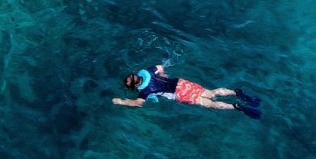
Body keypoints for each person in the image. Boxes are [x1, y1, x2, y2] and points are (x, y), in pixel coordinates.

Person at [112, 65, 262, 118]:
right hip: (182, 83)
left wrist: (121, 101)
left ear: (134, 86)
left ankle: (235, 106)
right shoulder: (148, 72)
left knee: (210, 104)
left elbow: (137, 103)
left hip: (181, 93)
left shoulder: (144, 91)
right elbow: (160, 66)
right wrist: (163, 75)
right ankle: (235, 92)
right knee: (211, 92)